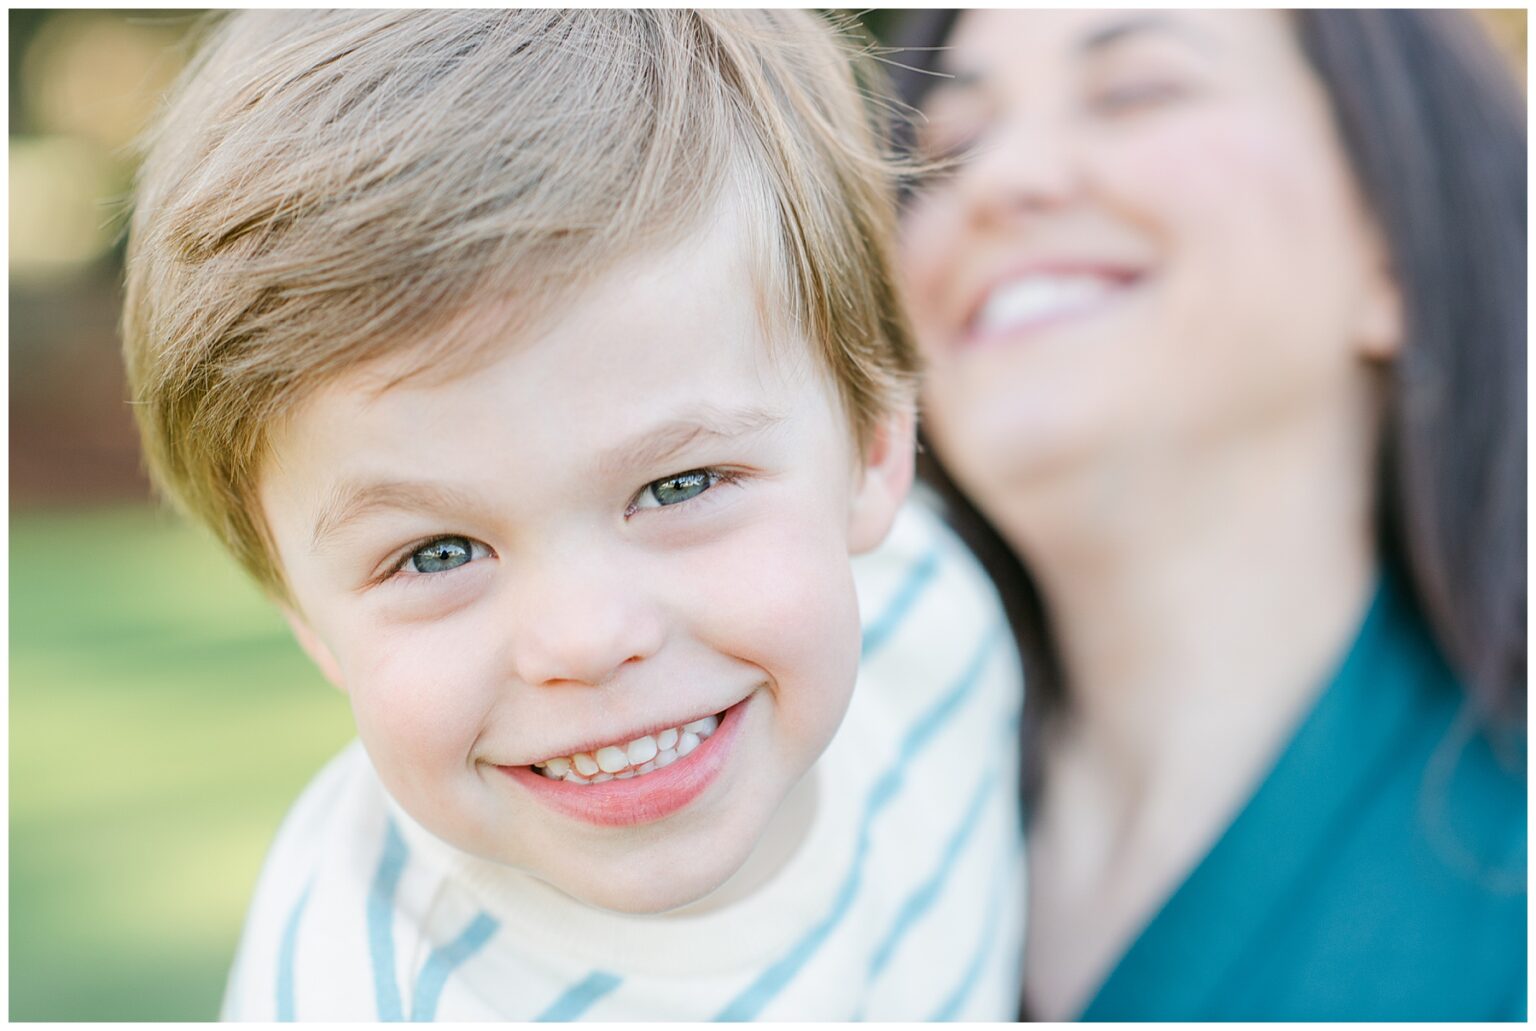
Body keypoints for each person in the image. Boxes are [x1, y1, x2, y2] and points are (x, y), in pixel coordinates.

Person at [121, 10, 1025, 1021]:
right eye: (437, 552)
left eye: (681, 486)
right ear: (303, 613)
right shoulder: (372, 992)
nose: (586, 639)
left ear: (872, 448)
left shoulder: (935, 629)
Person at [890, 8, 1526, 1021]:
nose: (999, 180)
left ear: (1395, 249)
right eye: (950, 145)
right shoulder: (813, 831)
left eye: (1137, 90)